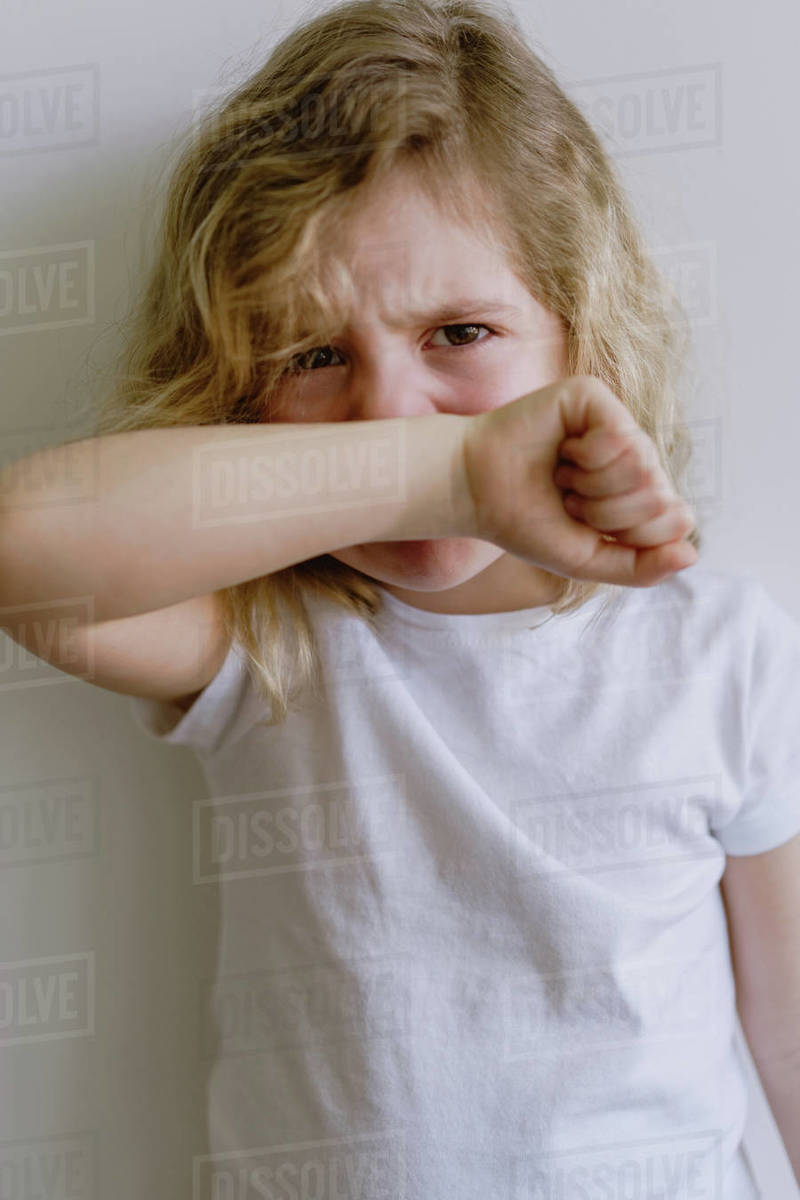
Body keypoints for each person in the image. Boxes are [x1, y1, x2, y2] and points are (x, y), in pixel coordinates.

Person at [2, 0, 799, 1194]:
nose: (387, 409)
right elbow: (25, 545)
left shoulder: (717, 652)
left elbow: (784, 1031)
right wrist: (453, 471)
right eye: (312, 355)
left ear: (578, 341)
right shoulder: (265, 633)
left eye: (459, 333)